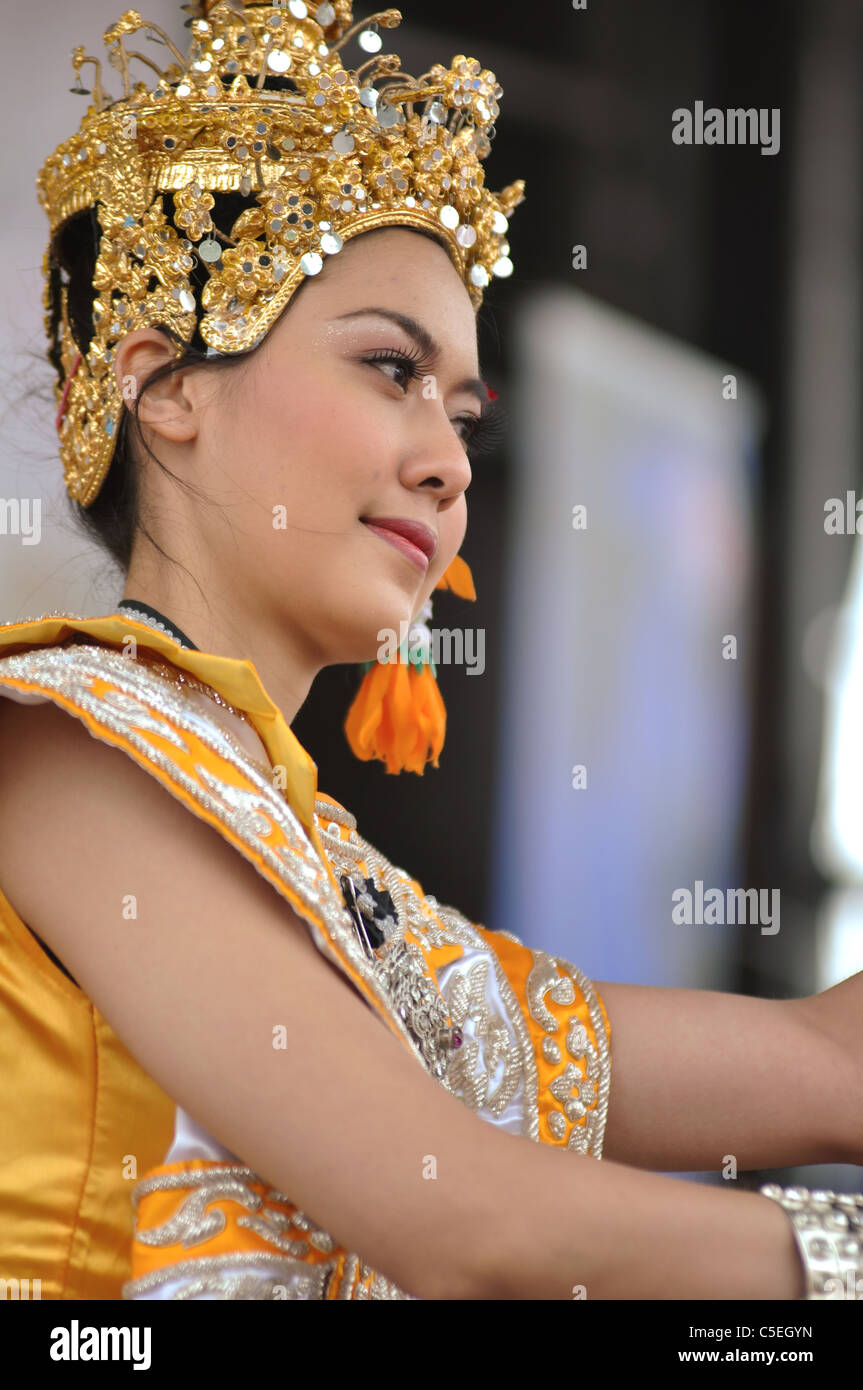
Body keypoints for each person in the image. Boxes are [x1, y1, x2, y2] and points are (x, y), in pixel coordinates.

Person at [0, 0, 861, 1302]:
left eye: (463, 410)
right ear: (164, 382)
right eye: (390, 369)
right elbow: (466, 1219)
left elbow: (829, 1064)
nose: (451, 459)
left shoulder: (340, 885)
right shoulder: (63, 747)